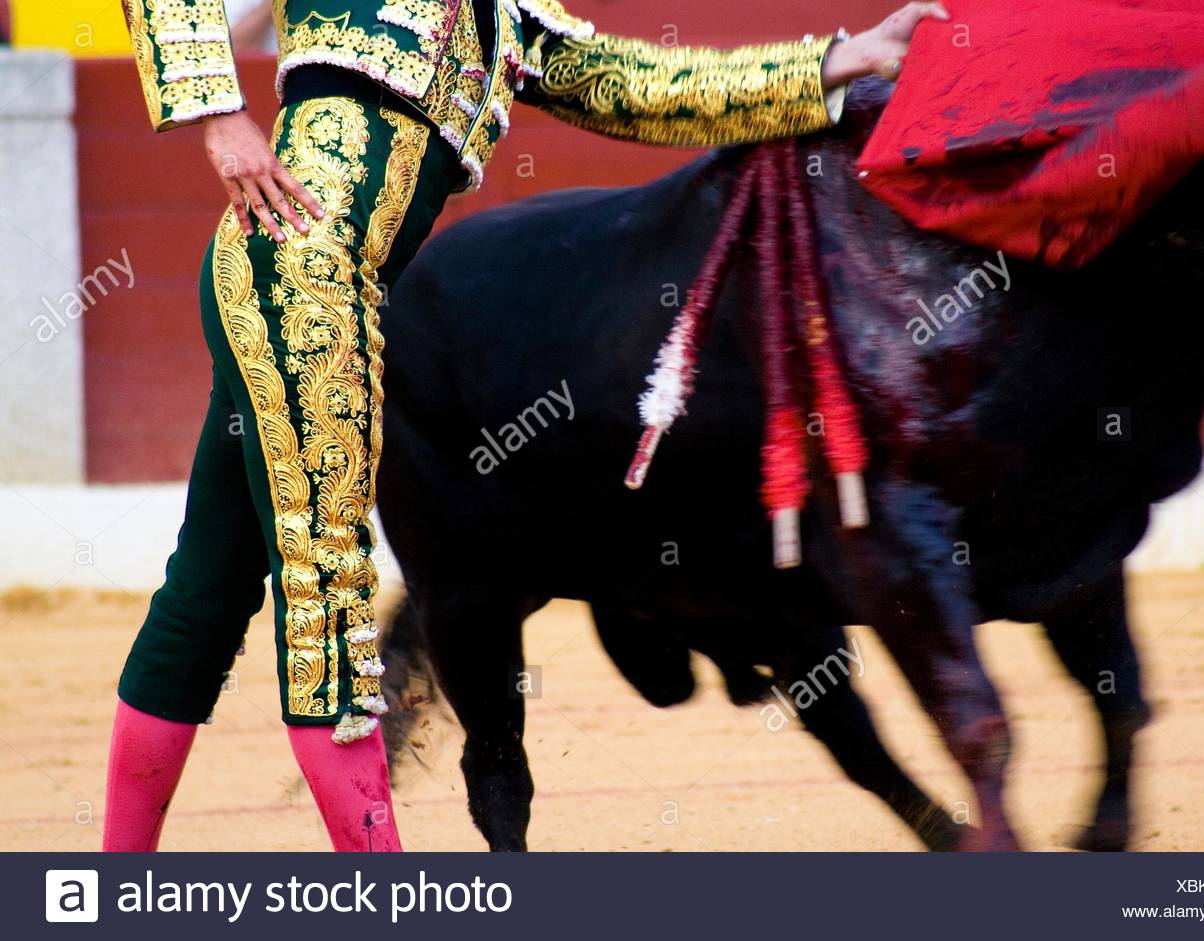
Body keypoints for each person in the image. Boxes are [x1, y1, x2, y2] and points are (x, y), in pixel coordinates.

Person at [105, 0, 950, 852]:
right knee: (329, 596)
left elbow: (638, 82)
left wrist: (847, 58)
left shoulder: (503, 17)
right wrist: (218, 114)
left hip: (322, 272)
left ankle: (119, 875)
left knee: (211, 583)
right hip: (304, 267)